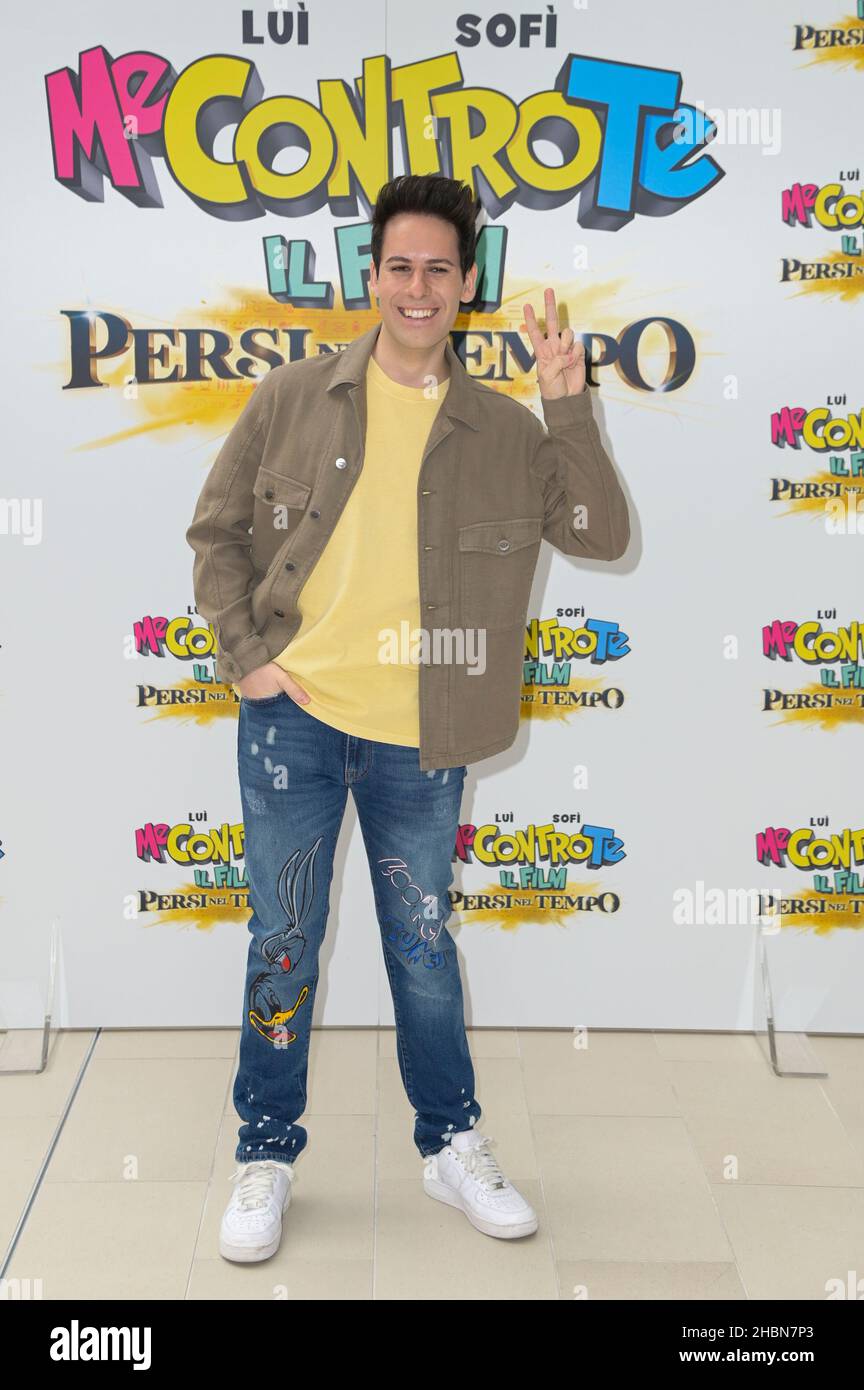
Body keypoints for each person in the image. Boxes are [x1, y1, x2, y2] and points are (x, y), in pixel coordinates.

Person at [185, 173, 630, 1263]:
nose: (418, 287)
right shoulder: (294, 394)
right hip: (293, 718)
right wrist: (246, 659)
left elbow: (601, 532)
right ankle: (267, 1150)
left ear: (468, 284)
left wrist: (568, 401)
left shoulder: (506, 428)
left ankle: (450, 1141)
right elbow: (216, 535)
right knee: (282, 942)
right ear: (371, 277)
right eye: (399, 266)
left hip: (421, 737)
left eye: (440, 268)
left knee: (422, 947)